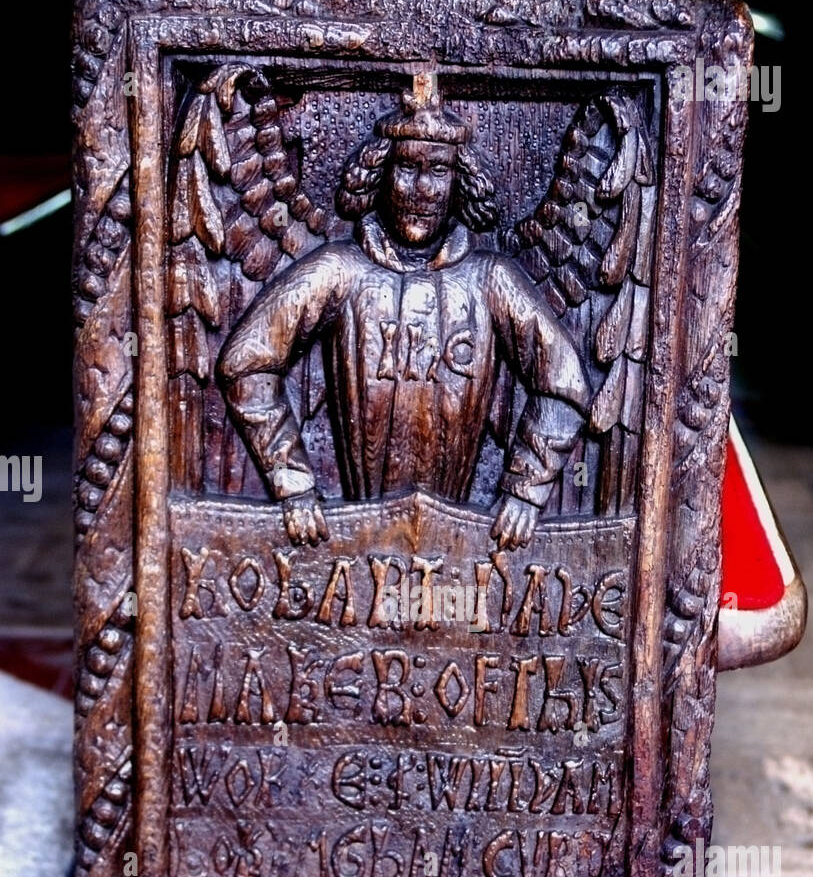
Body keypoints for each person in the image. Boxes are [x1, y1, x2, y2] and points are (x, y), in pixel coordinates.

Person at [217, 78, 590, 549]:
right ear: (380, 174)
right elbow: (246, 362)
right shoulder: (339, 271)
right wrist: (292, 482)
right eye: (407, 167)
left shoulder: (491, 281)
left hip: (463, 545)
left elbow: (564, 383)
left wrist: (526, 489)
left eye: (439, 170)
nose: (422, 189)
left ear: (460, 182)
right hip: (350, 539)